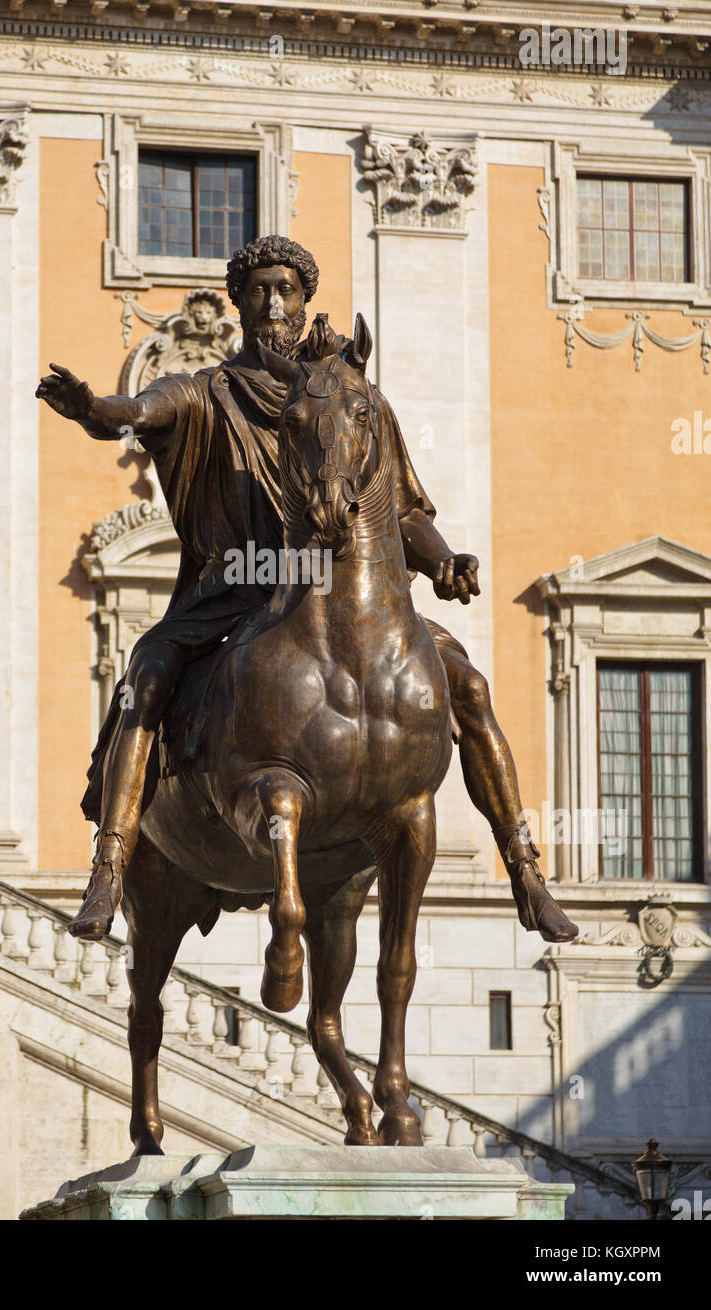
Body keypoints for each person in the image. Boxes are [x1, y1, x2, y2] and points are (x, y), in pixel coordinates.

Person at [37, 235, 578, 946]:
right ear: (239, 303)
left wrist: (444, 561)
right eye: (258, 290)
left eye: (285, 290)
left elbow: (406, 510)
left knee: (469, 688)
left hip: (334, 597)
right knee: (147, 670)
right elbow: (135, 415)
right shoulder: (206, 392)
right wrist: (90, 412)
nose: (272, 303)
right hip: (232, 594)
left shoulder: (354, 401)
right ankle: (108, 865)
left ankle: (525, 867)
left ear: (303, 302)